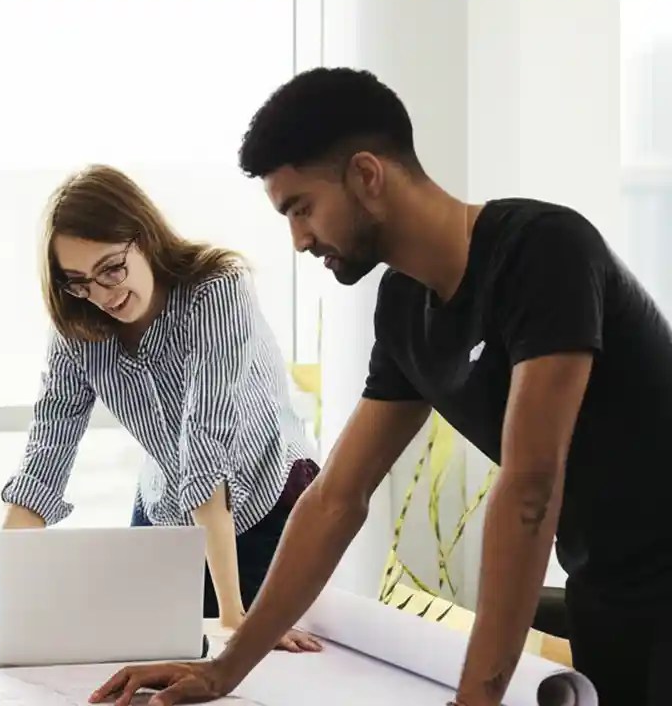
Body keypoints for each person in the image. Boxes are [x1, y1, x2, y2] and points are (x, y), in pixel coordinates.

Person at [90, 67, 672, 706]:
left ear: (367, 175)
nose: (299, 239)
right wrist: (221, 670)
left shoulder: (543, 252)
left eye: (302, 208)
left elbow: (531, 485)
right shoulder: (403, 310)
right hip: (608, 584)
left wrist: (475, 700)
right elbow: (335, 498)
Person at [0, 165, 324, 656]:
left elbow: (206, 442)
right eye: (79, 281)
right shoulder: (77, 332)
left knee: (256, 668)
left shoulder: (217, 289)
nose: (103, 295)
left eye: (112, 268)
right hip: (166, 508)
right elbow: (43, 464)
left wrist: (235, 616)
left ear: (145, 238)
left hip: (268, 497)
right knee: (147, 659)